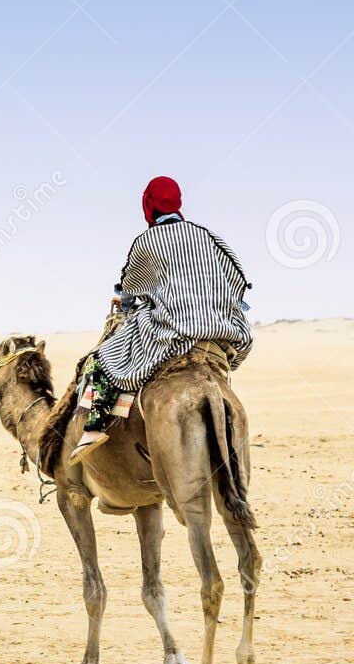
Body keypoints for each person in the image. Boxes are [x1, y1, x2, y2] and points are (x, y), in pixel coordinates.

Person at [69, 176, 252, 464]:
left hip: (172, 334)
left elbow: (130, 288)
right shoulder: (208, 237)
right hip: (220, 329)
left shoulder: (147, 241)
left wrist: (125, 305)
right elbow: (236, 279)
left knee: (101, 359)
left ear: (149, 205)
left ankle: (95, 426)